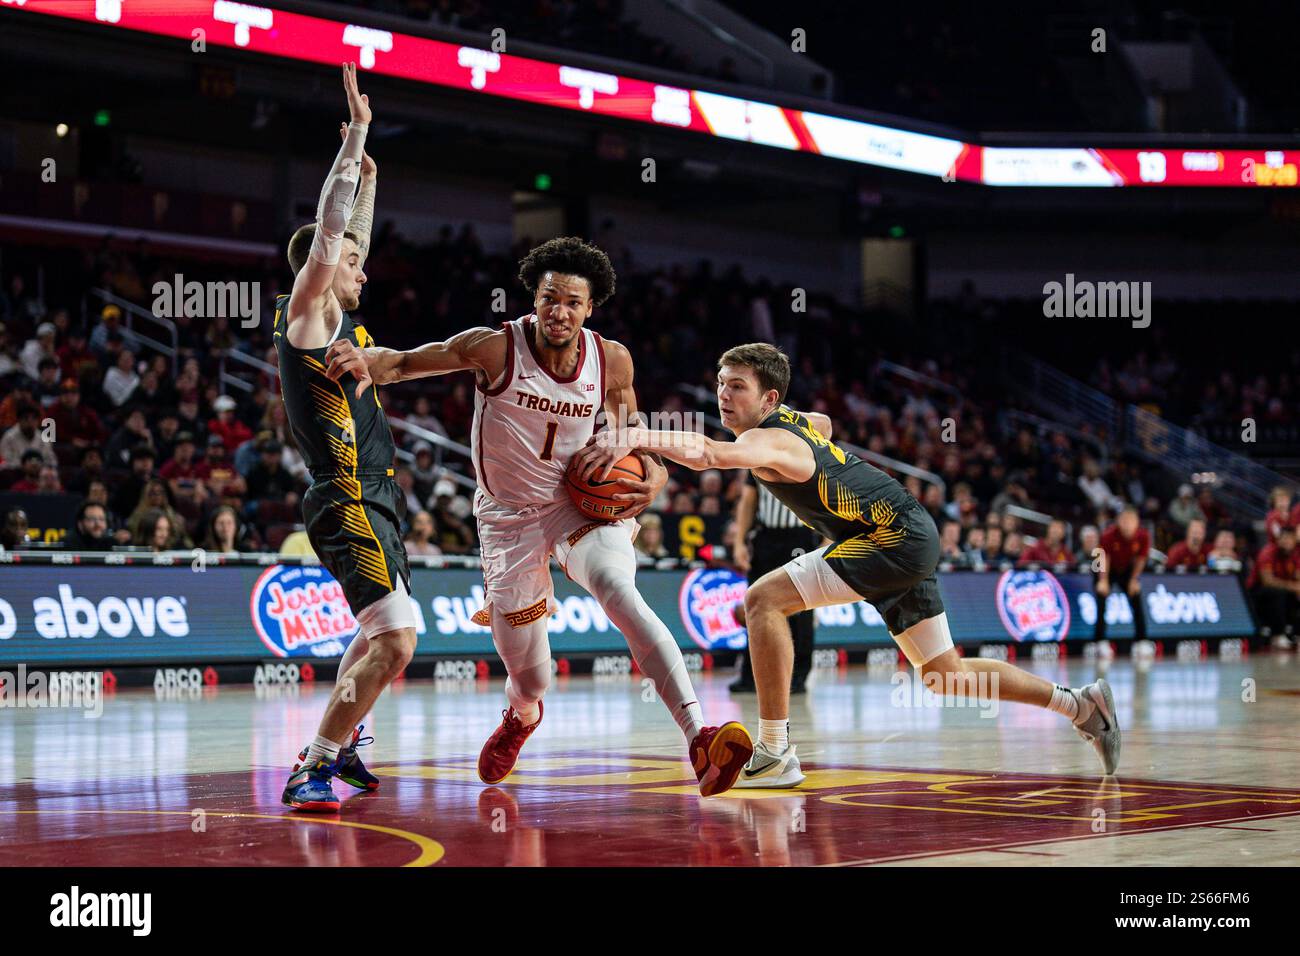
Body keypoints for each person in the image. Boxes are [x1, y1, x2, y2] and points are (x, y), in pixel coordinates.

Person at [326, 234, 754, 798]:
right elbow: (406, 362)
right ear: (534, 297)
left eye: (573, 302)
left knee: (617, 590)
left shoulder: (612, 359)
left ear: (590, 307)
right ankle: (522, 714)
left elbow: (632, 442)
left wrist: (651, 476)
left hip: (576, 503)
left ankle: (699, 736)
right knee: (533, 675)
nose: (559, 312)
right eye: (550, 298)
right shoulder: (495, 348)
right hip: (507, 518)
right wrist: (366, 361)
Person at [607, 342, 1120, 786]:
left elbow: (706, 454)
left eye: (737, 386)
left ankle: (775, 753)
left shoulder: (770, 439)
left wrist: (634, 435)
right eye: (720, 383)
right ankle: (1080, 704)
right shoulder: (798, 424)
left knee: (762, 599)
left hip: (889, 537)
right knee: (946, 674)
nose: (723, 394)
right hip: (904, 531)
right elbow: (823, 423)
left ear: (769, 399)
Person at [273, 65, 408, 813]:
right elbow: (332, 234)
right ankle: (313, 763)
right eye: (352, 261)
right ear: (321, 274)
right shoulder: (311, 316)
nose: (363, 260)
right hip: (345, 498)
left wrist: (368, 172)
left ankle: (345, 746)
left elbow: (350, 228)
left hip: (379, 497)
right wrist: (352, 141)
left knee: (373, 639)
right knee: (396, 643)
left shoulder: (342, 317)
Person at [729, 474, 820, 695]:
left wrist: (827, 541)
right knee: (757, 605)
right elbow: (748, 500)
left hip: (799, 537)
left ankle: (797, 677)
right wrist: (739, 541)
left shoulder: (808, 452)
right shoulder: (759, 456)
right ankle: (750, 676)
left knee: (801, 609)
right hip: (766, 537)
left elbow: (823, 501)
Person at [1096, 506, 1149, 643]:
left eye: (1131, 520)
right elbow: (1102, 558)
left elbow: (1141, 559)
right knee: (1101, 598)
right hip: (1106, 568)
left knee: (1136, 597)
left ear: (1137, 522)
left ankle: (1141, 640)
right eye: (1124, 520)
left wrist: (1134, 579)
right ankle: (1100, 641)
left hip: (1127, 569)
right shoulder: (1108, 535)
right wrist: (1103, 580)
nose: (1127, 524)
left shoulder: (1143, 536)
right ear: (1118, 521)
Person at [1254, 526, 1300, 644]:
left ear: (1295, 540)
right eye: (1284, 538)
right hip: (1257, 593)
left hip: (1284, 591)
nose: (1287, 542)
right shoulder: (1268, 552)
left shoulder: (1295, 554)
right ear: (1278, 540)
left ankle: (1296, 633)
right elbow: (1267, 581)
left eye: (1290, 539)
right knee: (1278, 593)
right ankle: (1277, 634)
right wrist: (1294, 586)